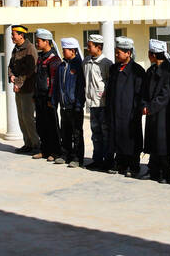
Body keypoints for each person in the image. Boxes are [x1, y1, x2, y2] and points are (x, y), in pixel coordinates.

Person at [105, 37, 146, 177]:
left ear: (128, 53)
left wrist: (136, 110)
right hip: (115, 110)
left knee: (131, 138)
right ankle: (120, 163)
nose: (117, 55)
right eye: (116, 52)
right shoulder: (114, 68)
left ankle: (133, 165)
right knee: (116, 136)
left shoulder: (137, 70)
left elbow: (140, 93)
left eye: (119, 52)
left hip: (130, 111)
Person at [141, 39, 170, 183]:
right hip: (151, 112)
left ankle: (166, 172)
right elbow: (144, 91)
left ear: (154, 54)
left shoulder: (169, 72)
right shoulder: (150, 71)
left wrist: (150, 107)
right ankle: (153, 169)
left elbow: (165, 94)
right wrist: (144, 105)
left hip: (164, 113)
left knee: (164, 143)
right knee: (152, 141)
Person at [54, 37, 86, 167]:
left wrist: (78, 103)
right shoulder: (62, 66)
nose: (63, 52)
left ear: (73, 51)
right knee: (65, 132)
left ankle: (77, 158)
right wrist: (55, 100)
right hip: (64, 105)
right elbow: (57, 85)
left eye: (65, 50)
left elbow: (81, 87)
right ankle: (65, 154)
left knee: (77, 133)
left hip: (75, 106)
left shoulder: (79, 66)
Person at [83, 33, 112, 171]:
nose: (88, 48)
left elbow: (109, 83)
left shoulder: (106, 64)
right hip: (92, 104)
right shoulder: (86, 61)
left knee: (105, 134)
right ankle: (97, 159)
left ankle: (107, 161)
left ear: (98, 47)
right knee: (95, 134)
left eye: (90, 46)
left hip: (103, 104)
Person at [8, 25, 39, 155]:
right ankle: (27, 143)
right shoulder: (16, 49)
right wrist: (11, 76)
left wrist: (19, 83)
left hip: (28, 89)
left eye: (14, 34)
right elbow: (10, 65)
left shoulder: (30, 49)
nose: (12, 37)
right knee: (21, 117)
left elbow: (30, 70)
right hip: (18, 89)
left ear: (21, 35)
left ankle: (36, 144)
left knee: (28, 118)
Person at [32, 28, 62, 161]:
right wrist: (34, 94)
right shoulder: (40, 58)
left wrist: (51, 98)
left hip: (48, 98)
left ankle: (55, 151)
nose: (37, 43)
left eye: (38, 41)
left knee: (52, 125)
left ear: (46, 42)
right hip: (39, 96)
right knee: (40, 124)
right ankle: (44, 150)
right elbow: (37, 77)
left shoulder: (53, 59)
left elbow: (54, 81)